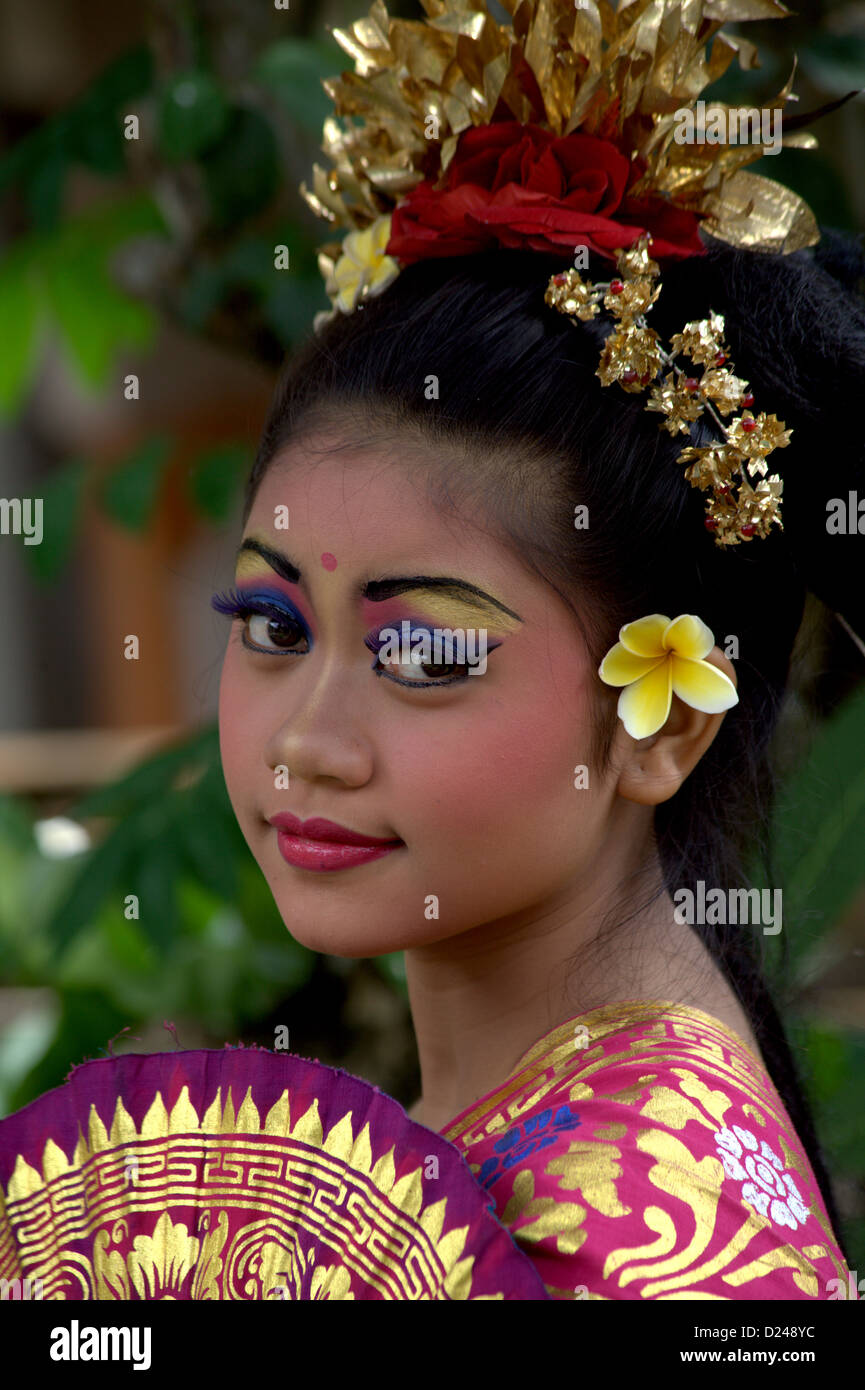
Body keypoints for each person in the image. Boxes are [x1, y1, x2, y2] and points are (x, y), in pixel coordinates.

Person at [1, 0, 861, 1300]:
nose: (305, 740)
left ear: (663, 721)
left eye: (425, 655)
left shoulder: (634, 1229)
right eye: (272, 626)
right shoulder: (551, 1111)